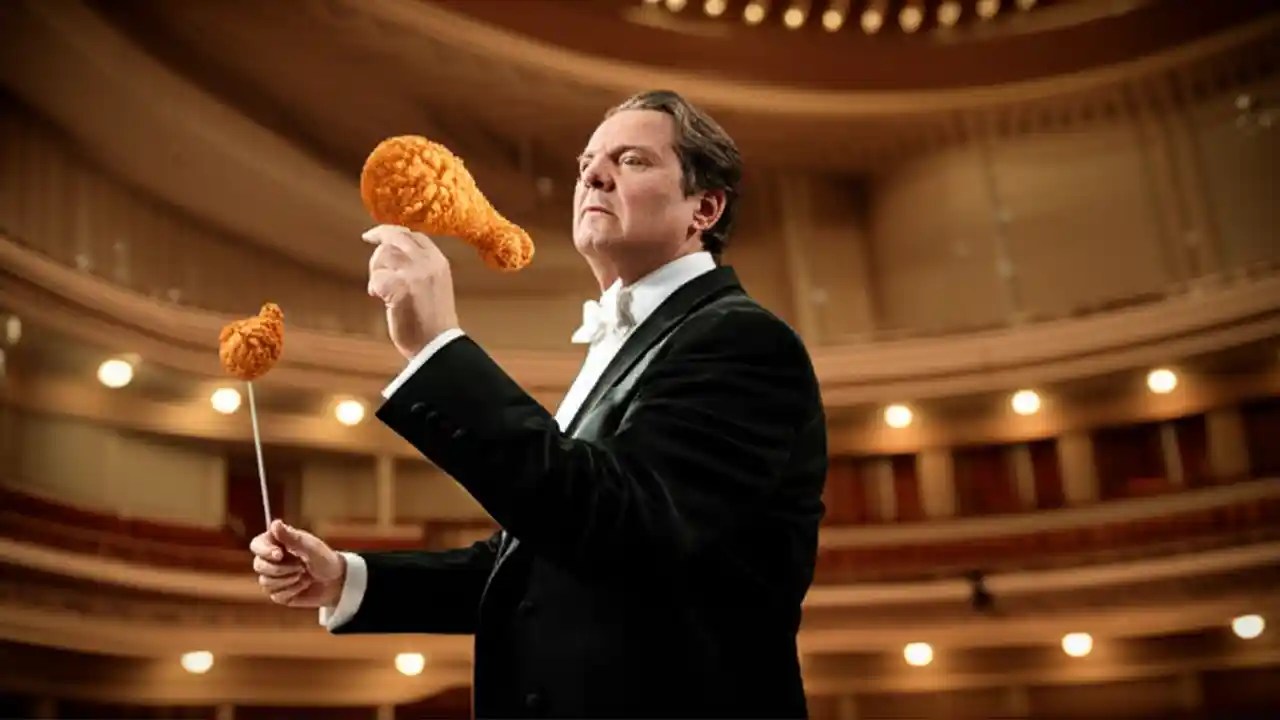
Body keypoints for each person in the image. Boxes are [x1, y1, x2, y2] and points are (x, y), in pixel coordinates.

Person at [249, 90, 828, 719]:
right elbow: (537, 565)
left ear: (705, 207)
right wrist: (346, 578)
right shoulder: (638, 343)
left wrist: (439, 349)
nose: (593, 175)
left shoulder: (742, 340)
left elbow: (621, 525)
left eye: (632, 161)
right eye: (586, 164)